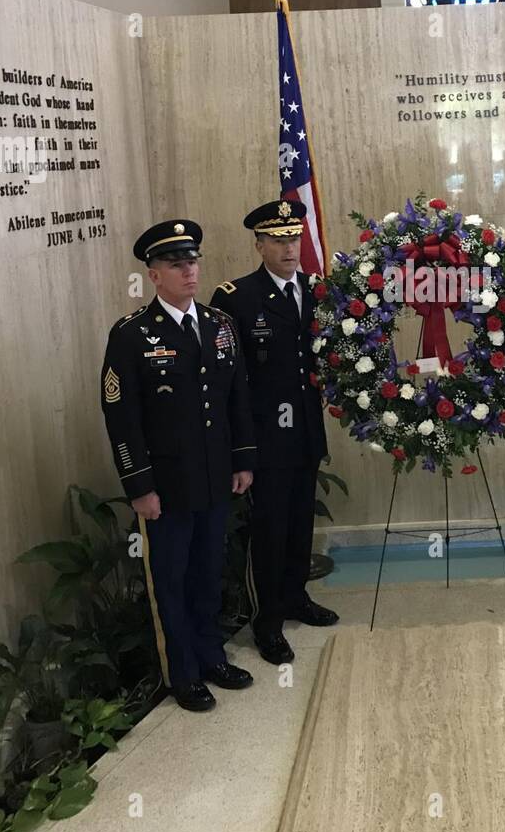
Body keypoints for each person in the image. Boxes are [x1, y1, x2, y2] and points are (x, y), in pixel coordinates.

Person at [100, 220, 255, 712]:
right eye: (175, 264)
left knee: (208, 574)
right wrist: (139, 486)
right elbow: (120, 417)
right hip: (165, 488)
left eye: (192, 261)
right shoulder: (132, 334)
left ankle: (211, 656)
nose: (189, 271)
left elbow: (237, 399)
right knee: (171, 578)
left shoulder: (218, 325)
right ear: (154, 275)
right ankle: (181, 672)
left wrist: (243, 460)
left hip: (214, 479)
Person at [211, 200, 336, 667]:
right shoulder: (235, 298)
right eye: (279, 240)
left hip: (304, 431)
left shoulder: (317, 290)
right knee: (268, 530)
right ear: (259, 244)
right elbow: (231, 383)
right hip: (264, 438)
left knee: (300, 522)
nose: (289, 247)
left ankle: (295, 596)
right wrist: (241, 447)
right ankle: (266, 621)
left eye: (294, 238)